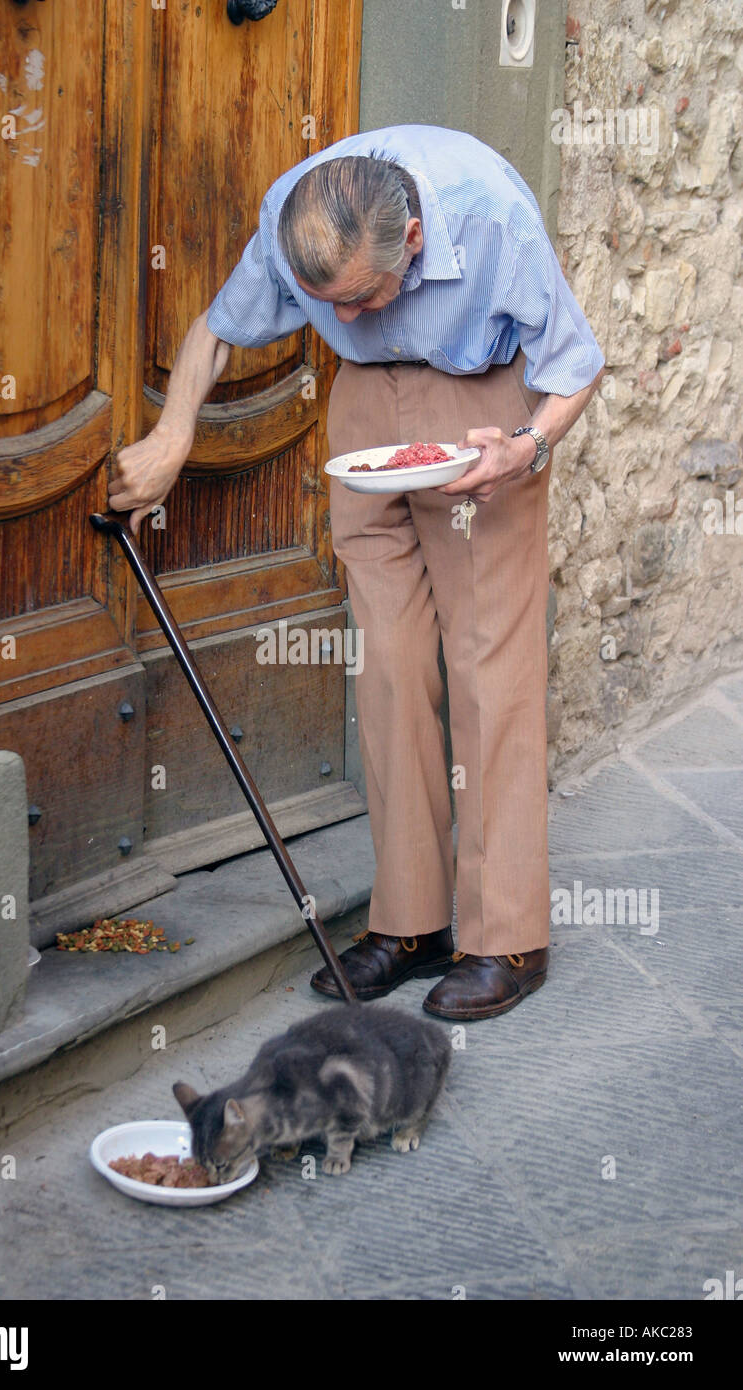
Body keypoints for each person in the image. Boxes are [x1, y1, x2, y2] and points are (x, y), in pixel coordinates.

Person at [109, 124, 605, 1021]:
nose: (342, 316)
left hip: (482, 407)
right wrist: (170, 439)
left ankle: (507, 938)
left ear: (411, 239)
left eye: (361, 297)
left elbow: (576, 363)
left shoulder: (490, 213)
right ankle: (410, 923)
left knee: (490, 668)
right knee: (387, 667)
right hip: (365, 416)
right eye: (322, 302)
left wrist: (525, 449)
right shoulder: (297, 213)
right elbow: (218, 332)